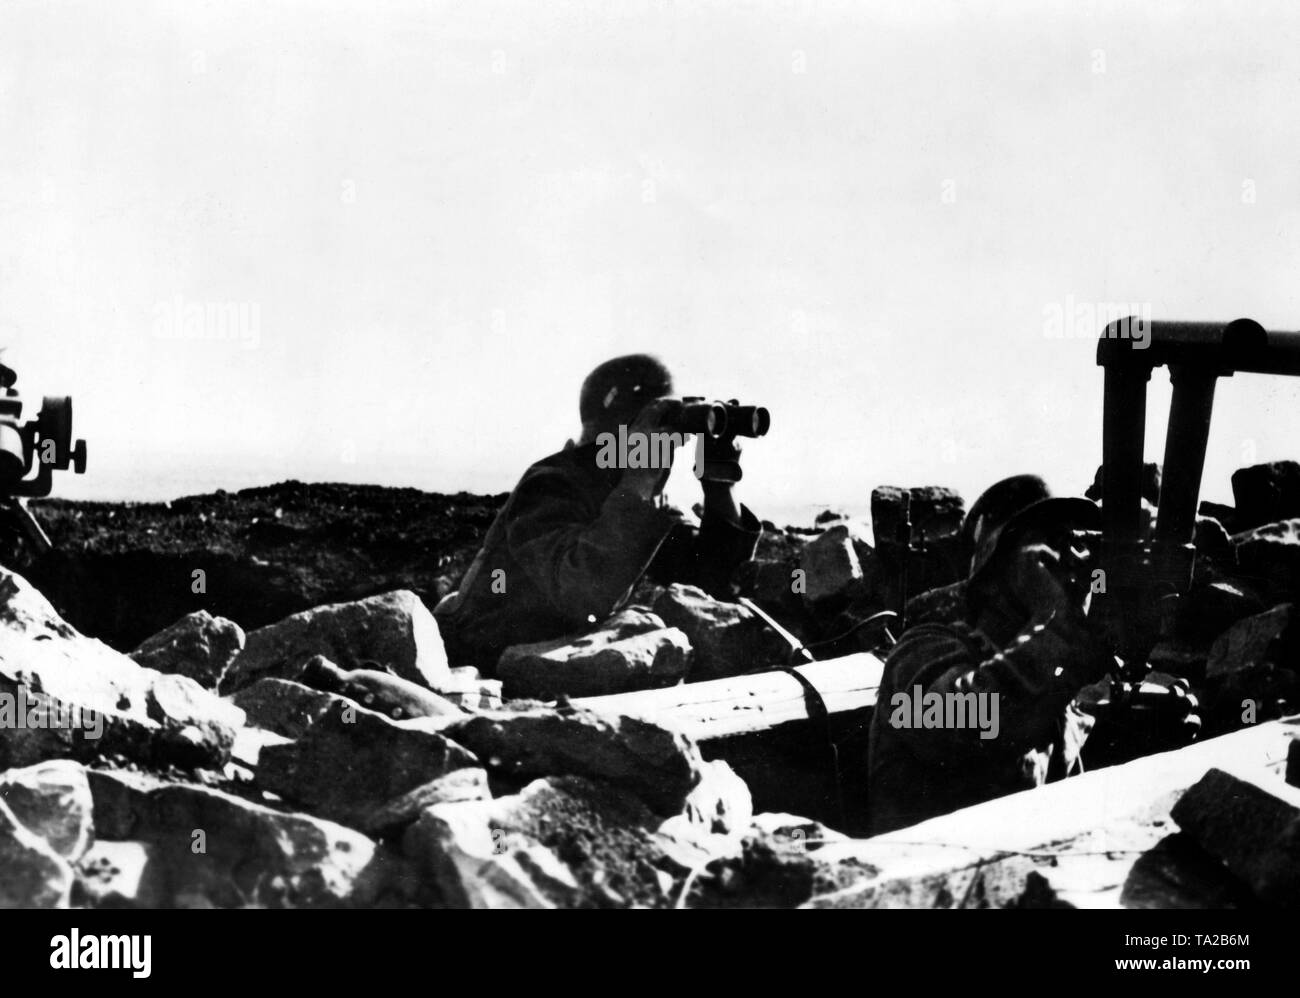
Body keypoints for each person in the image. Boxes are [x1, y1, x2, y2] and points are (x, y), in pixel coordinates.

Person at [434, 354, 762, 670]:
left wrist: (720, 484)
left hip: (556, 657)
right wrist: (639, 480)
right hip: (483, 652)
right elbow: (581, 592)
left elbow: (717, 578)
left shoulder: (638, 499)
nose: (668, 451)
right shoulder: (551, 483)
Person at [866, 477, 1114, 835]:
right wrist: (1053, 621)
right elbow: (961, 721)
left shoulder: (1049, 674)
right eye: (1046, 546)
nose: (1066, 564)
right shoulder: (921, 649)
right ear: (997, 567)